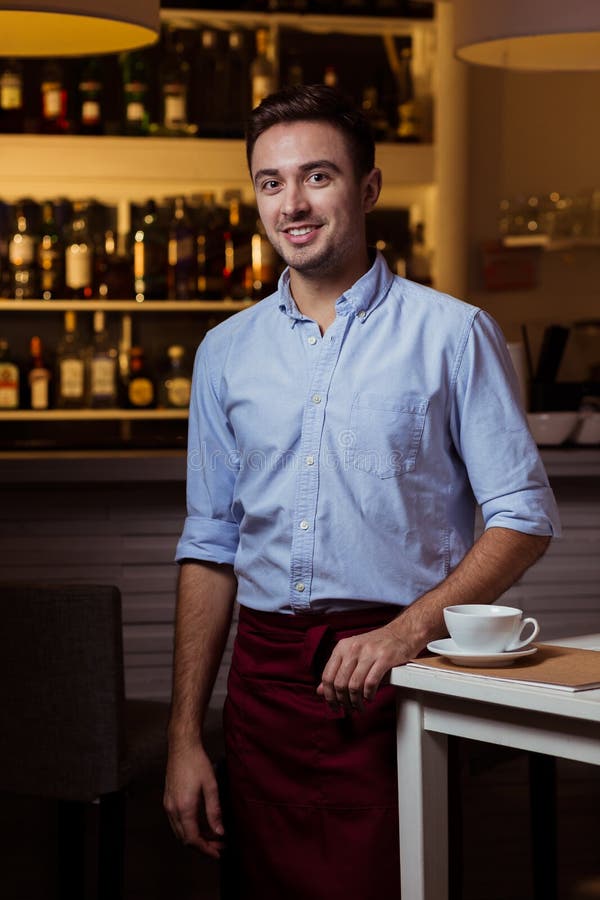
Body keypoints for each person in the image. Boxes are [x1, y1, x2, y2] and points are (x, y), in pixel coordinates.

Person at [164, 84, 560, 900]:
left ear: (369, 188)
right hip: (264, 689)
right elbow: (210, 548)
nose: (293, 203)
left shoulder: (452, 334)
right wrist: (183, 737)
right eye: (271, 182)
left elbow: (524, 517)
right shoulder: (224, 353)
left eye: (318, 176)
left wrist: (404, 633)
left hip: (397, 680)